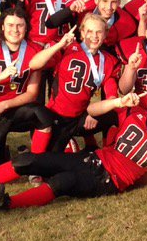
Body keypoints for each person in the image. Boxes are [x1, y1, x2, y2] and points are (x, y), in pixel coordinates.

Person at [0, 86, 147, 211]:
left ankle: (6, 203)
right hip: (92, 159)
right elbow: (92, 109)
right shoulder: (134, 114)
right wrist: (118, 102)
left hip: (109, 181)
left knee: (61, 183)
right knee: (30, 159)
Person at [0, 7, 53, 167]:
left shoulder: (34, 50)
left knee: (42, 114)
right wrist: (0, 77)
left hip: (15, 109)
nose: (15, 30)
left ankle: (36, 164)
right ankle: (2, 151)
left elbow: (32, 94)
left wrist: (5, 104)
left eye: (20, 25)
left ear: (26, 28)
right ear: (2, 26)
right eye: (10, 25)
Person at [29, 13, 122, 150]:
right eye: (90, 31)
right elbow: (34, 64)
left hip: (81, 117)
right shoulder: (68, 48)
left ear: (105, 34)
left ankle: (107, 153)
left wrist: (95, 113)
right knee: (49, 157)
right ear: (82, 32)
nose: (94, 36)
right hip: (57, 115)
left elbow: (111, 96)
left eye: (99, 32)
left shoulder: (109, 61)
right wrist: (59, 45)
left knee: (116, 115)